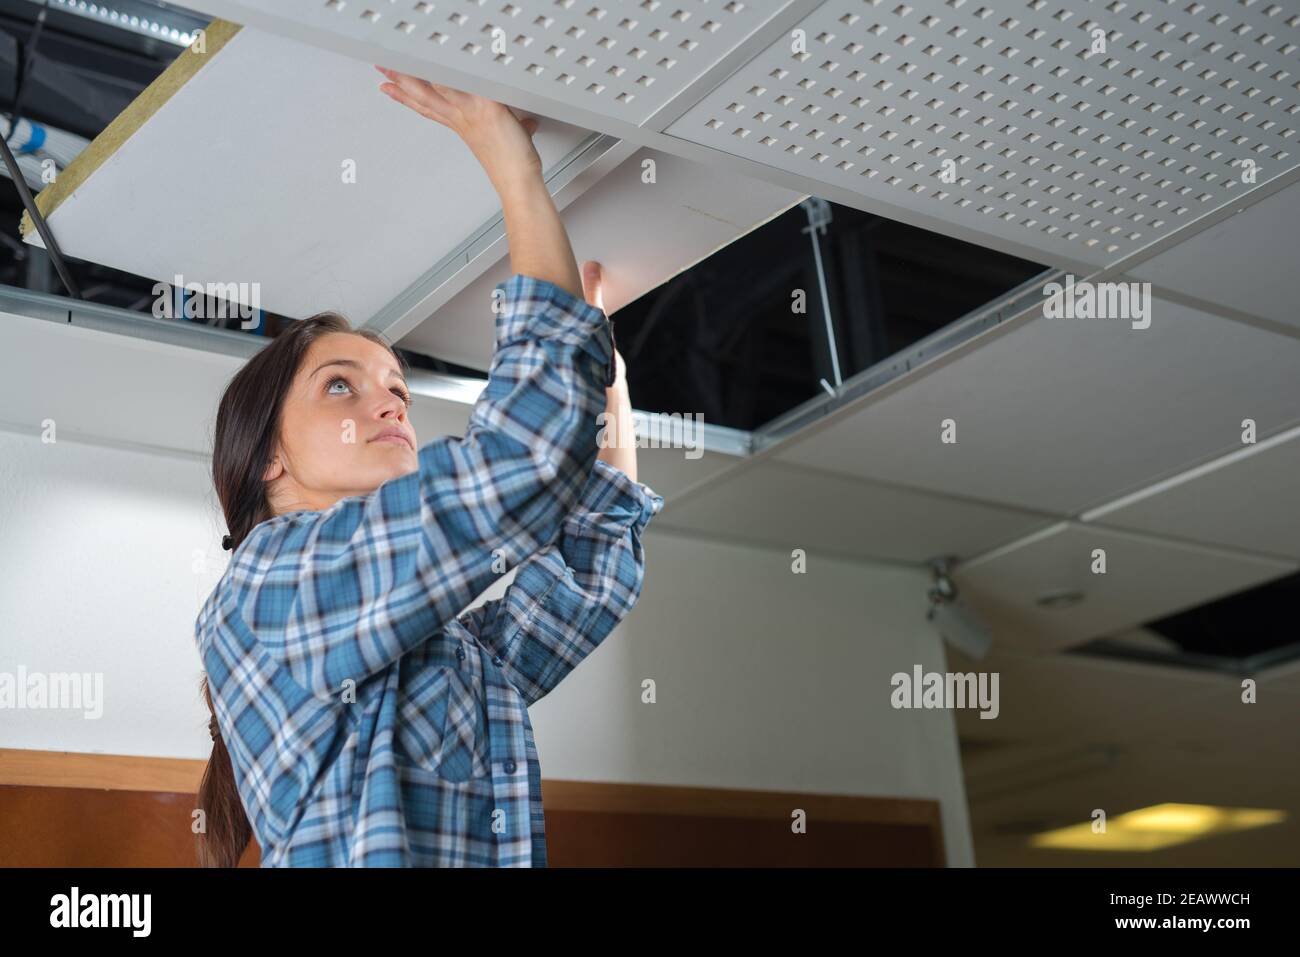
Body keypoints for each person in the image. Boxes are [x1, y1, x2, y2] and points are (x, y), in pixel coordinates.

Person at [193, 67, 664, 866]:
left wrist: (604, 376)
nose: (390, 404)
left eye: (398, 388)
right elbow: (520, 462)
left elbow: (588, 575)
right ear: (266, 453)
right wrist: (509, 162)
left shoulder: (431, 647)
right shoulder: (268, 585)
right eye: (340, 385)